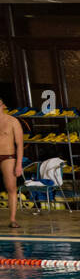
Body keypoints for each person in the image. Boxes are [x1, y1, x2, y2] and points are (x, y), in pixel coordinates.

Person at [0, 97, 25, 229]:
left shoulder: (12, 121)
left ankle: (12, 219)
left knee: (11, 188)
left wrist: (18, 164)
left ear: (3, 106)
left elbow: (19, 144)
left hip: (8, 157)